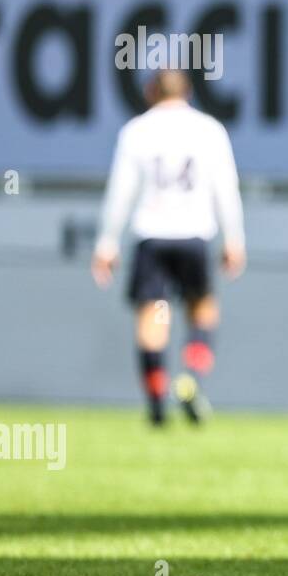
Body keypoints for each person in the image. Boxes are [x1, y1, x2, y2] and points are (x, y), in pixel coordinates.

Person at [91, 69, 246, 425]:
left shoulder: (137, 132)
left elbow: (121, 192)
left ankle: (158, 397)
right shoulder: (209, 130)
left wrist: (107, 242)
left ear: (150, 91)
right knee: (202, 309)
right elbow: (226, 188)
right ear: (188, 92)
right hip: (194, 234)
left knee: (153, 316)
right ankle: (191, 374)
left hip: (152, 234)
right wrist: (234, 238)